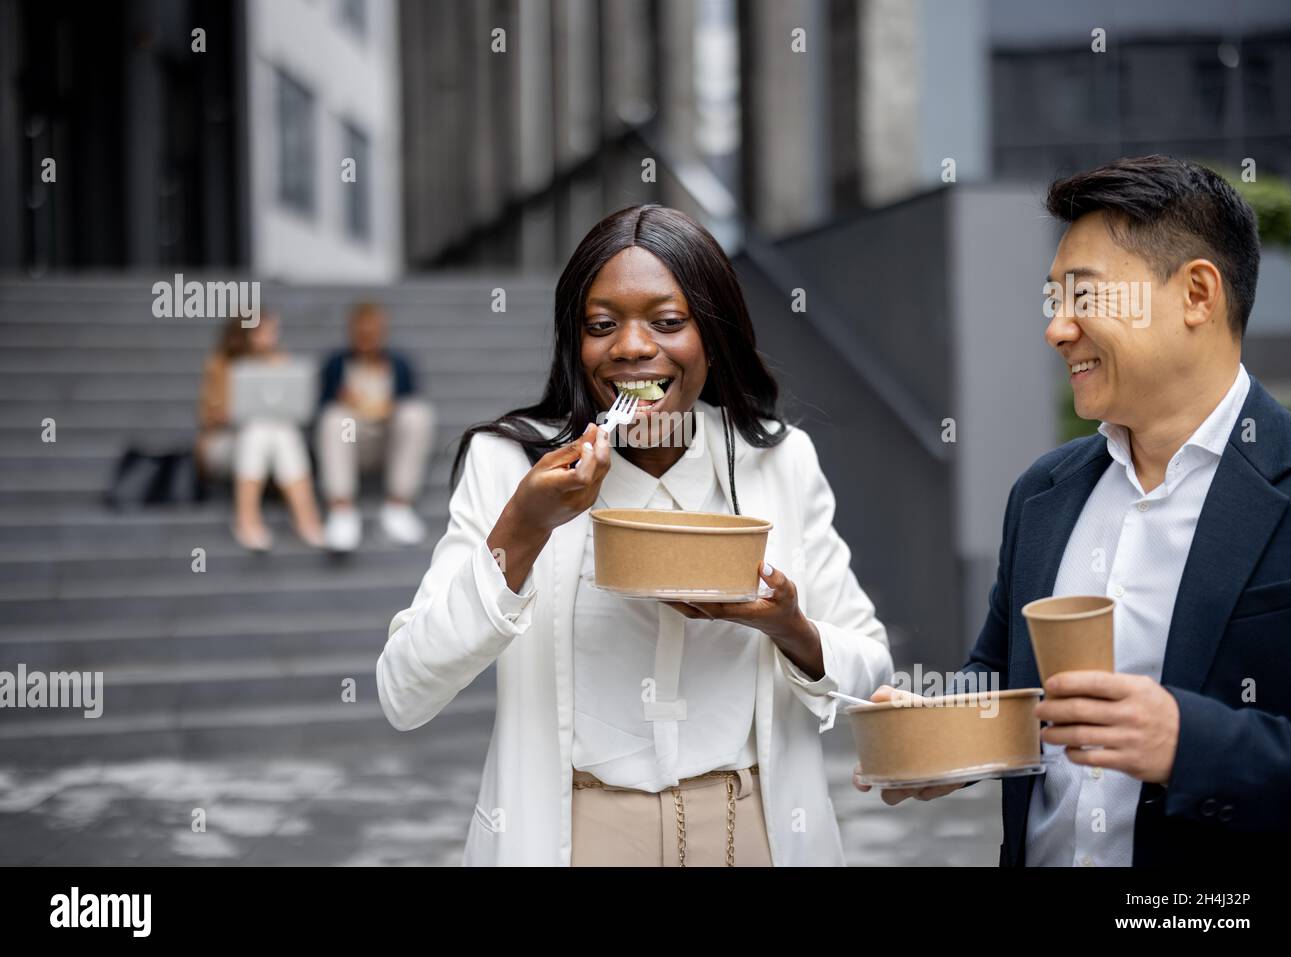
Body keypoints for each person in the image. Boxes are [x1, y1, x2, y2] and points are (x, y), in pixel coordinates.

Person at [376, 205, 893, 866]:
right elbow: (403, 690)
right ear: (577, 340)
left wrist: (791, 627)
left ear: (714, 333)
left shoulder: (779, 460)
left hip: (748, 832)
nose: (630, 347)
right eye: (602, 325)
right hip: (573, 834)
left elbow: (870, 665)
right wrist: (522, 530)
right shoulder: (508, 463)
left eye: (668, 321)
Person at [854, 156, 1291, 867]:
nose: (1057, 329)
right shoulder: (1043, 492)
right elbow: (1001, 678)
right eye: (1052, 301)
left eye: (1083, 297)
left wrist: (1191, 744)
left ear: (1196, 293)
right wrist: (942, 733)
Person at [195, 313, 325, 552]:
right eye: (265, 332)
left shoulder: (280, 361)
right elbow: (208, 416)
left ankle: (305, 518)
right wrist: (236, 412)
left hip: (272, 441)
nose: (271, 338)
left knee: (279, 429)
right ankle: (248, 519)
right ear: (247, 332)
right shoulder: (221, 363)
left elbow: (295, 409)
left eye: (273, 332)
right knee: (257, 428)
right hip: (224, 444)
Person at [316, 303, 435, 551]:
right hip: (351, 442)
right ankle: (341, 509)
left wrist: (388, 409)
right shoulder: (336, 365)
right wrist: (347, 402)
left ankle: (398, 504)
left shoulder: (400, 364)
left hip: (387, 443)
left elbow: (408, 402)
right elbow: (321, 409)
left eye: (373, 331)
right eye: (362, 331)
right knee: (335, 417)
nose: (368, 337)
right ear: (352, 331)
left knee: (416, 414)